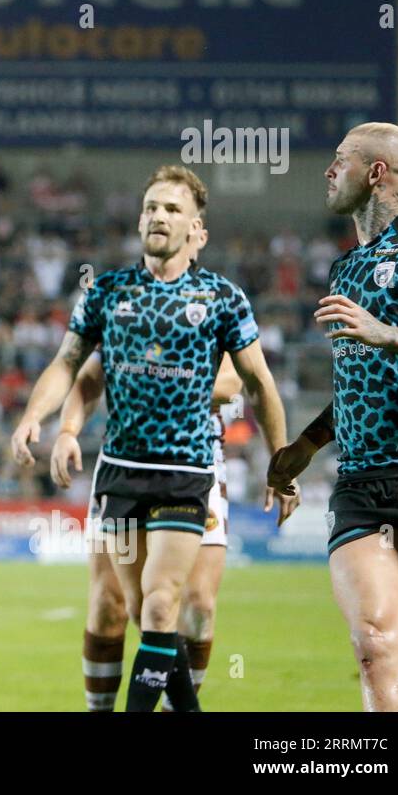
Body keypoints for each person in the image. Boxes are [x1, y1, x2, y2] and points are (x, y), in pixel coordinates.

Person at [11, 165, 296, 712]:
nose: (157, 217)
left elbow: (258, 384)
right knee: (141, 612)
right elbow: (69, 366)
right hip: (119, 472)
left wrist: (281, 467)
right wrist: (40, 419)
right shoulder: (108, 291)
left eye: (171, 209)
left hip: (188, 473)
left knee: (171, 607)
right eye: (150, 208)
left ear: (197, 230)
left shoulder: (222, 299)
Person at [269, 122, 398, 711]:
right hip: (364, 485)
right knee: (374, 643)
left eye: (340, 160)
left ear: (376, 173)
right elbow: (361, 385)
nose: (327, 170)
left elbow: (388, 346)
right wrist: (308, 444)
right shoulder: (345, 270)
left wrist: (384, 332)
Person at [55, 229, 252, 711]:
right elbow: (87, 374)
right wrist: (66, 429)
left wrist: (162, 383)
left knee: (197, 606)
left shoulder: (215, 304)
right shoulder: (128, 305)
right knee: (114, 604)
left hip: (196, 464)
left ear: (198, 235)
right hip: (126, 464)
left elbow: (233, 380)